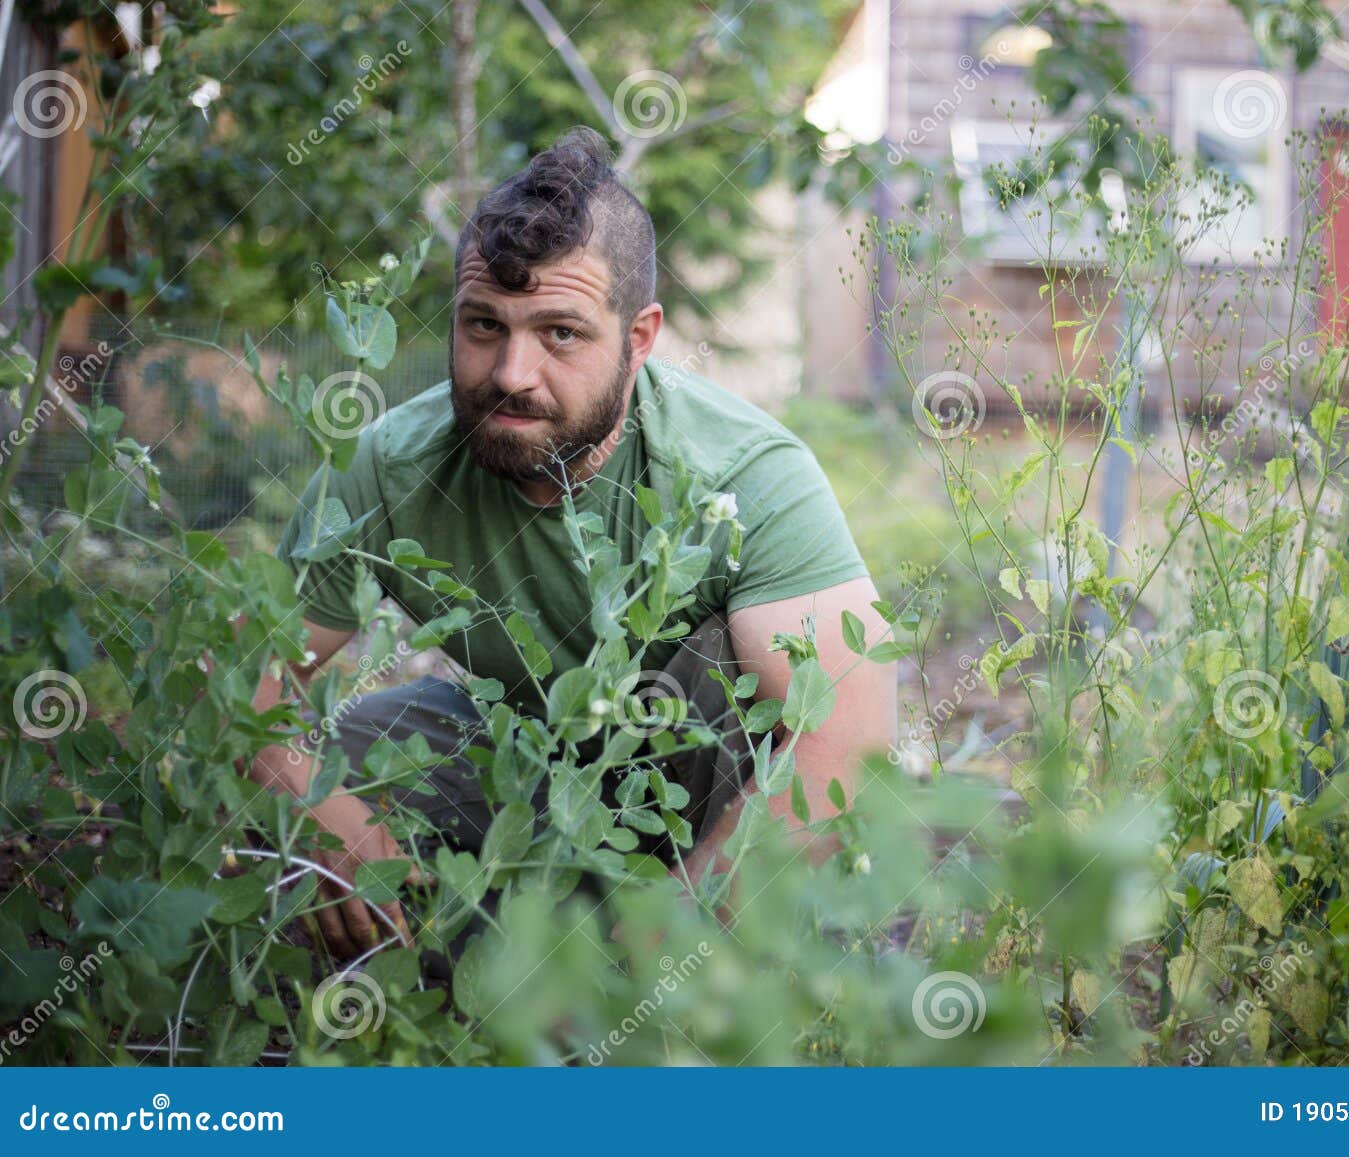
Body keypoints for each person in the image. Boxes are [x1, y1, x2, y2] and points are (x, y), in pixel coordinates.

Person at [244, 127, 896, 958]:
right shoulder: (392, 464)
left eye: (560, 332)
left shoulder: (745, 470)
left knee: (740, 688)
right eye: (484, 325)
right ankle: (456, 978)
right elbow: (238, 675)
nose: (512, 371)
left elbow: (850, 734)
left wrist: (681, 938)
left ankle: (697, 988)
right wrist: (317, 814)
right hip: (528, 769)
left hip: (699, 805)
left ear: (641, 337)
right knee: (340, 760)